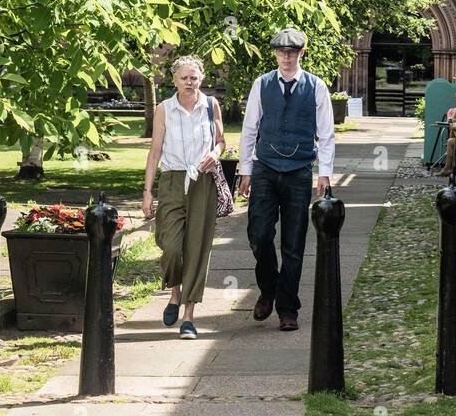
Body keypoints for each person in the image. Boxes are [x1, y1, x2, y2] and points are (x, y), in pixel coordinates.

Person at [238, 26, 334, 331]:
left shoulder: (316, 87)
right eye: (281, 51)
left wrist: (325, 173)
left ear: (302, 53)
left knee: (294, 242)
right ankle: (269, 288)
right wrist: (245, 170)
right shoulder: (261, 84)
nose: (286, 57)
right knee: (260, 234)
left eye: (292, 52)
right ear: (276, 54)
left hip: (299, 170)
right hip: (265, 166)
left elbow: (327, 133)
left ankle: (287, 307)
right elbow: (250, 128)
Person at [142, 55, 225, 339]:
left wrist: (215, 154)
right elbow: (154, 151)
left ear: (201, 78)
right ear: (174, 80)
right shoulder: (165, 109)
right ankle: (174, 292)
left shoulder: (211, 105)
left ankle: (188, 316)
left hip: (203, 182)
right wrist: (147, 193)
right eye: (184, 78)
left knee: (197, 249)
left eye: (194, 78)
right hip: (173, 180)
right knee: (171, 246)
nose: (189, 83)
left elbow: (221, 141)